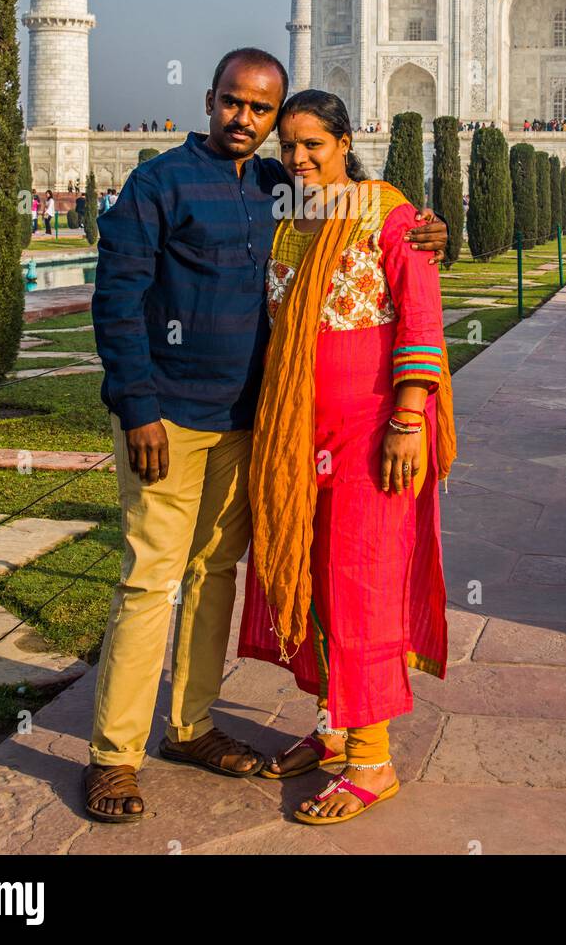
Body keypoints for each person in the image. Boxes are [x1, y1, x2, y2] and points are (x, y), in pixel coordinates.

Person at [83, 48, 446, 822]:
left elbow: (406, 284)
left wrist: (424, 234)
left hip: (298, 427)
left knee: (263, 575)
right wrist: (137, 403)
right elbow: (117, 298)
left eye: (274, 120)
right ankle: (117, 755)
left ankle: (228, 731)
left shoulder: (329, 201)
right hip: (189, 421)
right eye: (236, 106)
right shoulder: (171, 185)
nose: (258, 128)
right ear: (211, 100)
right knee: (168, 579)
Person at [238, 89, 454, 824]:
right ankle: (335, 725)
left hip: (372, 433)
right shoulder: (289, 219)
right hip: (301, 429)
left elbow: (420, 312)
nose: (299, 159)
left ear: (344, 142)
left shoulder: (385, 213)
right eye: (288, 147)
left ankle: (373, 758)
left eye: (313, 146)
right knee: (313, 574)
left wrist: (409, 418)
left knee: (360, 581)